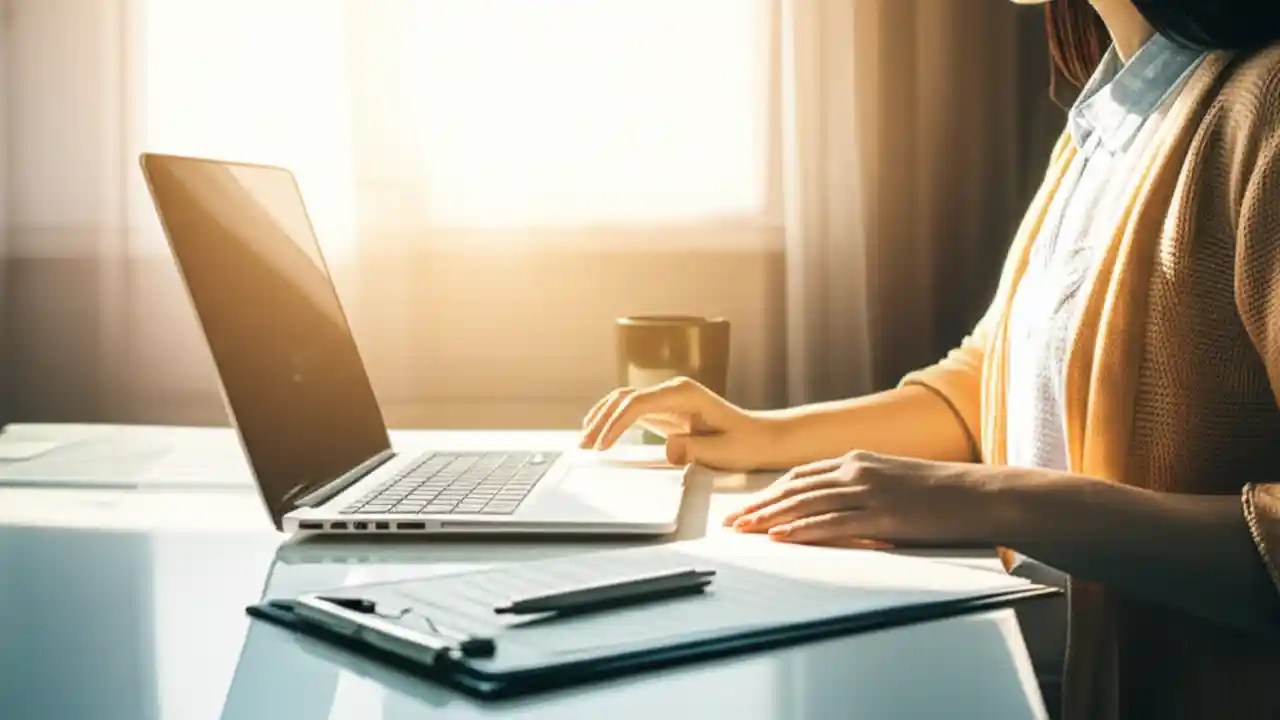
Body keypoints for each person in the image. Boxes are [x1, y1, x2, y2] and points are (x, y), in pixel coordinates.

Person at [580, 1, 1280, 717]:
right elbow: (991, 381)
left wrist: (993, 501)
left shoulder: (1266, 107)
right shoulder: (1113, 115)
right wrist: (764, 435)